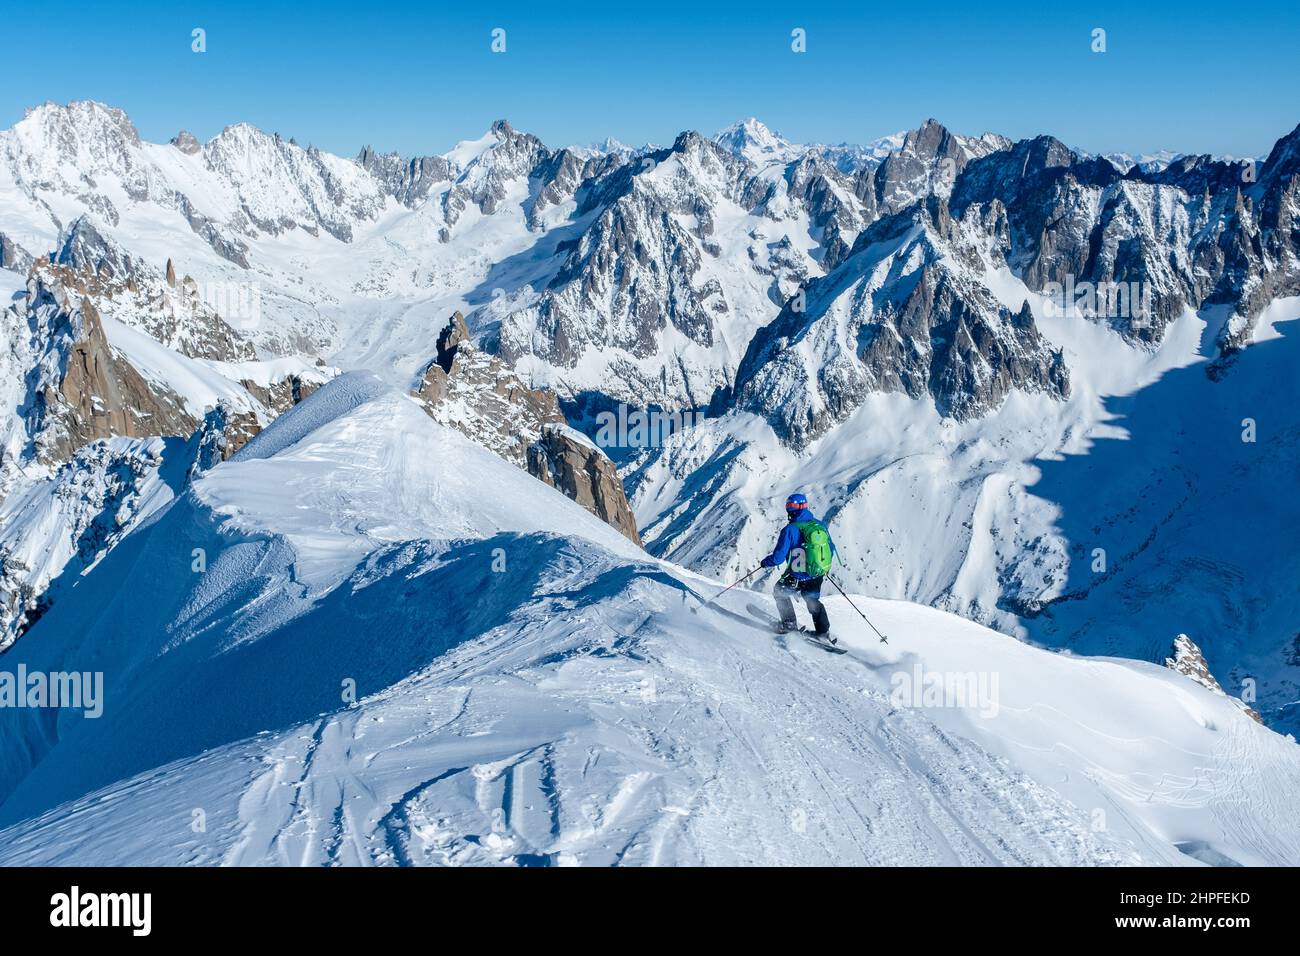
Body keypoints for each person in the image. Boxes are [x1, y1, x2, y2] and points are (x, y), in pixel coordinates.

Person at [760, 493, 837, 641]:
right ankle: (823, 632)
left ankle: (789, 624)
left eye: (792, 506)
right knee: (812, 601)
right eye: (789, 505)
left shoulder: (790, 530)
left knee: (779, 592)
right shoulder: (819, 525)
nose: (790, 509)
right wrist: (818, 566)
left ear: (801, 506)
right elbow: (831, 548)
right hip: (817, 573)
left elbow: (778, 558)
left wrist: (765, 562)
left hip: (797, 575)